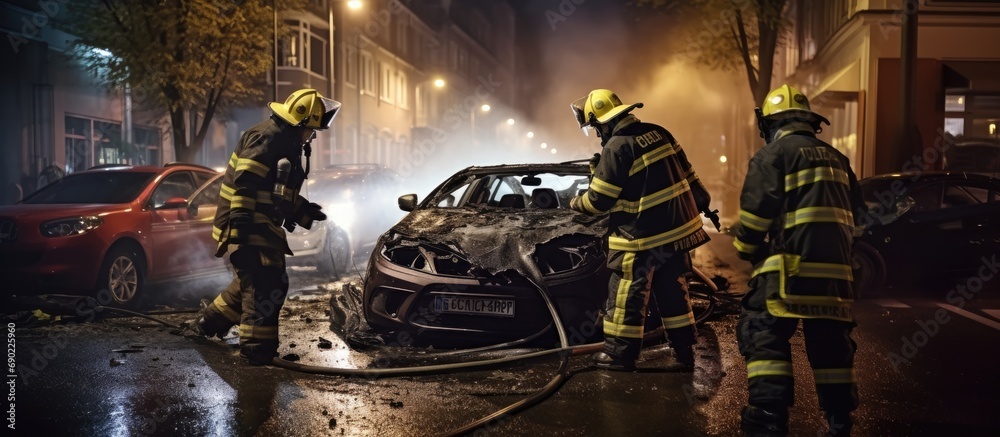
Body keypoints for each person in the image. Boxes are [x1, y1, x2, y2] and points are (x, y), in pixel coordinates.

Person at [733, 84, 865, 437]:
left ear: (769, 124)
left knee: (762, 333)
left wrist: (745, 248)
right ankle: (839, 419)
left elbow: (754, 220)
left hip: (789, 272)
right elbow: (859, 218)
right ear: (811, 123)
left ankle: (768, 417)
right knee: (830, 343)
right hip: (836, 277)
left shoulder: (773, 155)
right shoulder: (839, 158)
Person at [187, 88, 339, 365]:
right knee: (266, 282)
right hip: (245, 223)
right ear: (300, 122)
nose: (313, 136)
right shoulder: (267, 137)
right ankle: (257, 348)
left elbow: (276, 192)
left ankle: (206, 325)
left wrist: (303, 211)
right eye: (312, 130)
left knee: (253, 282)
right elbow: (246, 182)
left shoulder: (283, 140)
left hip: (259, 223)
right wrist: (242, 226)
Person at [568, 89, 714, 372]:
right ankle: (684, 350)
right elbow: (690, 176)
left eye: (597, 127)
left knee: (626, 293)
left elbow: (598, 201)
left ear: (606, 122)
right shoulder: (660, 132)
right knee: (673, 289)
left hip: (640, 237)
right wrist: (703, 204)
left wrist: (575, 203)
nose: (598, 135)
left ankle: (619, 356)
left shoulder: (617, 147)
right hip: (676, 233)